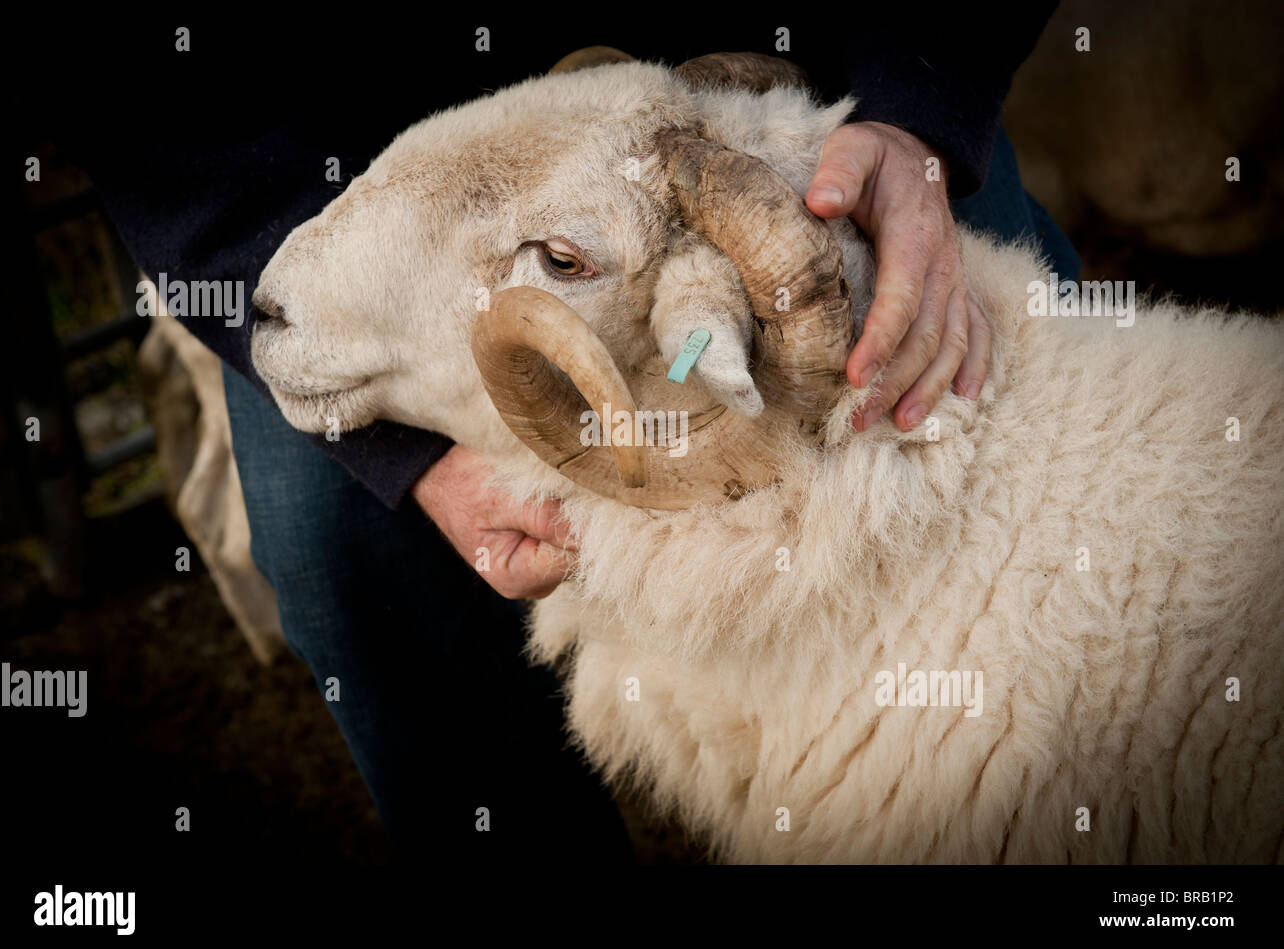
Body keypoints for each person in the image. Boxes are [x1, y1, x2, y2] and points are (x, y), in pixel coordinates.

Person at [59, 11, 1074, 860]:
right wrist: (405, 459)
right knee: (344, 555)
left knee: (1014, 422)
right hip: (355, 194)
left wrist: (920, 114)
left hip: (794, 121)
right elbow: (140, 87)